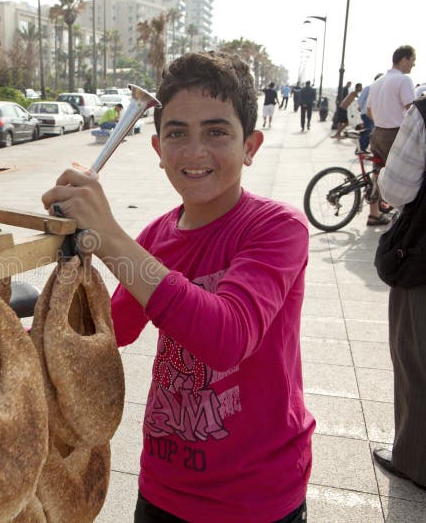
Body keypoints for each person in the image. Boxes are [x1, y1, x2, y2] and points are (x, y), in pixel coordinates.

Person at [42, 51, 314, 523]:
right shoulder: (154, 238)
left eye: (216, 132)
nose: (194, 151)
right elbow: (112, 330)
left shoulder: (277, 228)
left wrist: (111, 236)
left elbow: (227, 338)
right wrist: (73, 260)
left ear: (251, 145)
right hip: (164, 489)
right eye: (176, 133)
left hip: (258, 497)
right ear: (158, 150)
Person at [375, 95, 426, 491]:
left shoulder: (424, 113)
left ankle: (414, 461)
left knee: (415, 361)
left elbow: (395, 189)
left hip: (423, 264)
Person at [367, 44, 417, 226]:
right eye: (413, 60)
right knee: (404, 176)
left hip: (377, 132)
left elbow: (368, 110)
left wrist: (384, 119)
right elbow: (412, 109)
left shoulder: (378, 81)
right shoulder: (403, 80)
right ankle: (404, 220)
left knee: (377, 174)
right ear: (404, 59)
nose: (413, 65)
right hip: (394, 134)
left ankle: (374, 214)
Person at [356, 73, 384, 154]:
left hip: (373, 114)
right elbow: (361, 99)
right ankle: (361, 148)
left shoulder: (379, 89)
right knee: (369, 130)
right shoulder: (369, 88)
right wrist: (361, 108)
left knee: (368, 130)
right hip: (367, 113)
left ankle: (361, 148)